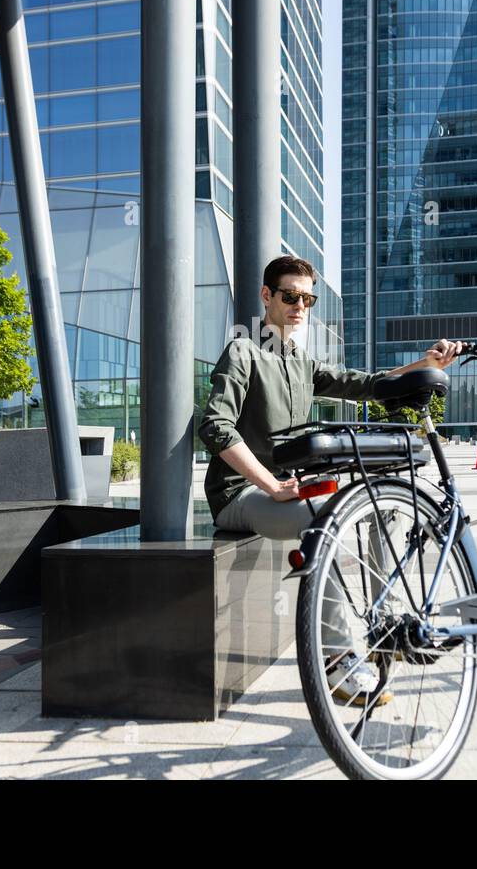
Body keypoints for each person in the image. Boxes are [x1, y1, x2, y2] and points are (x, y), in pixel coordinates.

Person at [197, 255, 463, 705]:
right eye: (289, 296)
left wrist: (424, 364)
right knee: (329, 518)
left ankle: (389, 624)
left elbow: (366, 384)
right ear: (267, 296)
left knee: (380, 508)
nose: (299, 305)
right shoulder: (243, 352)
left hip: (287, 490)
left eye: (307, 298)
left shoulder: (300, 360)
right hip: (241, 494)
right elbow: (216, 426)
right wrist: (270, 485)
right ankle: (338, 663)